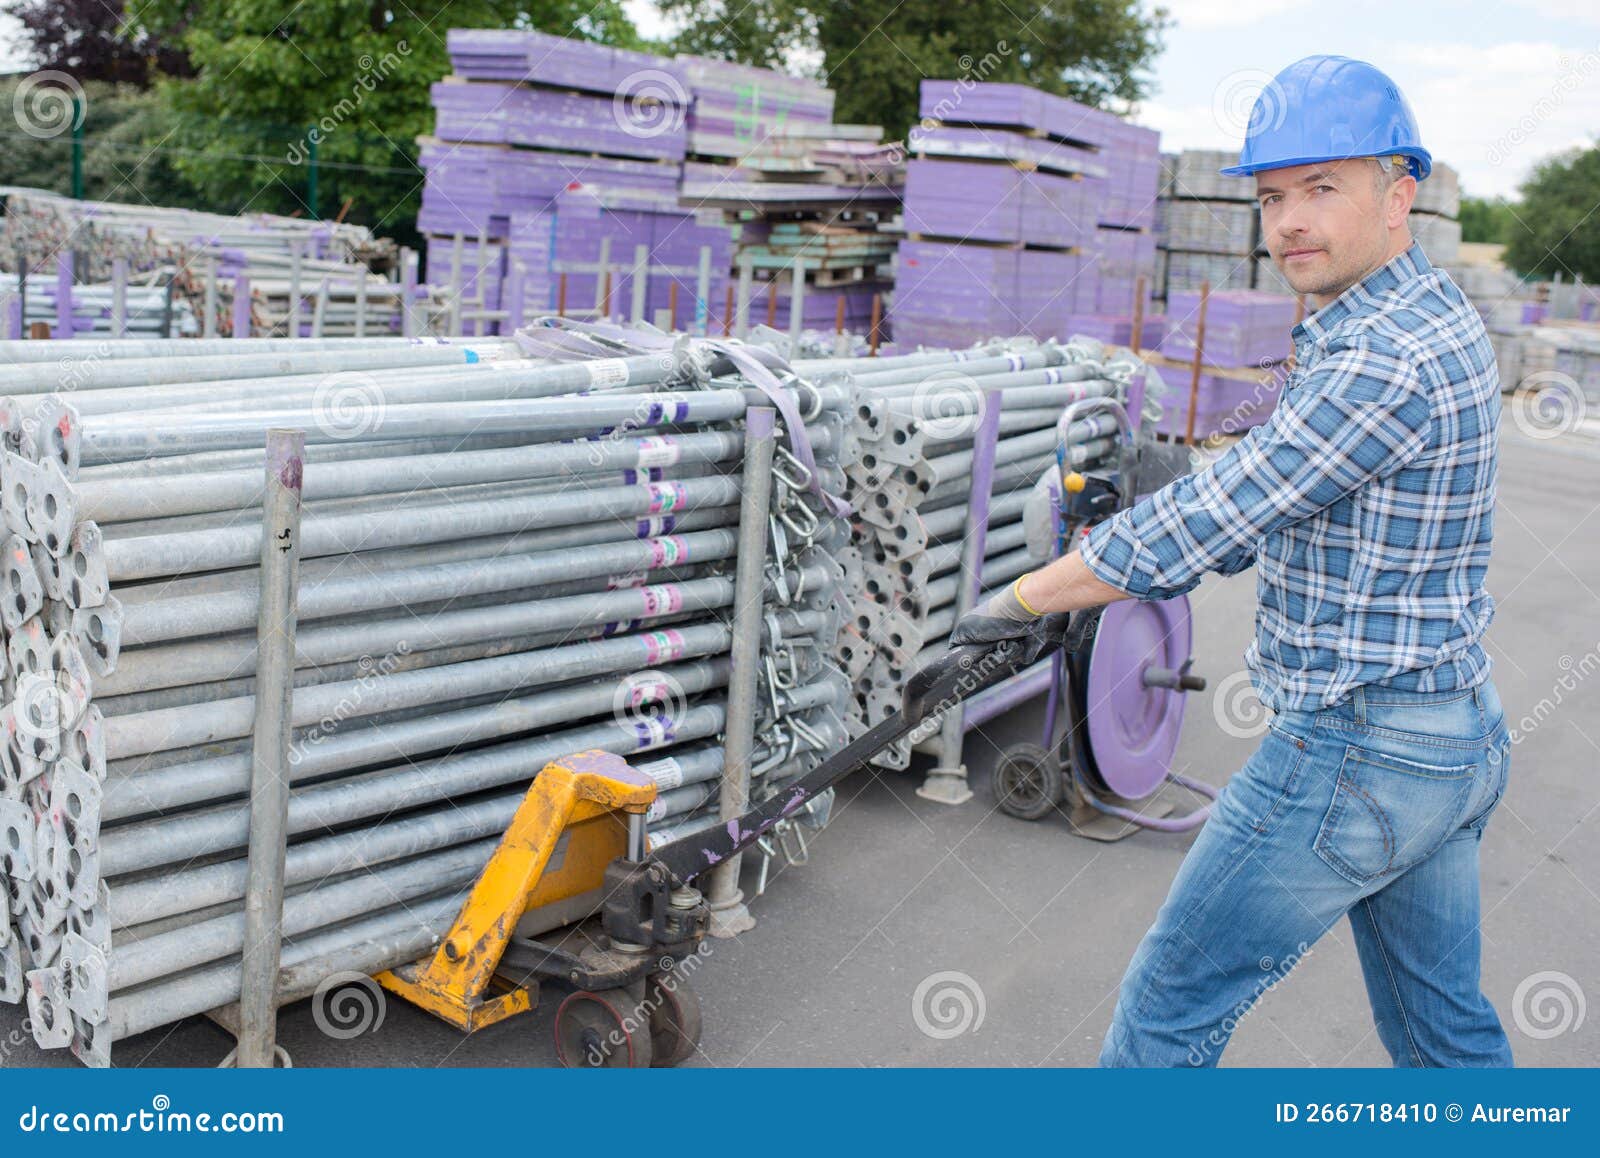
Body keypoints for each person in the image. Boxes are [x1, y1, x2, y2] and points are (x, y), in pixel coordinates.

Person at [952, 54, 1513, 1067]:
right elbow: (1280, 486)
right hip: (1450, 737)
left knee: (1166, 1015)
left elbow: (1215, 518)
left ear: (1400, 194)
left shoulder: (1381, 356)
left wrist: (1014, 604)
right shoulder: (1413, 317)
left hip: (1359, 751)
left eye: (1321, 188)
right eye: (1271, 197)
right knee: (1443, 1039)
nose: (1289, 219)